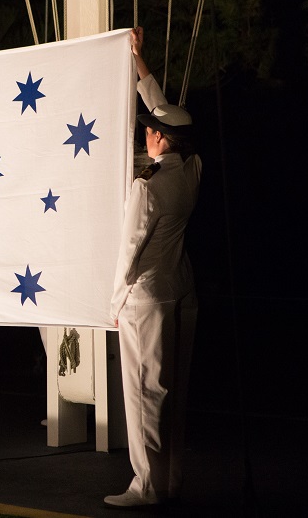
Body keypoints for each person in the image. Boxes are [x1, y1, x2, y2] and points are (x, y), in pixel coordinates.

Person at [105, 27, 202, 508]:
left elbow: (128, 252)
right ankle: (170, 480)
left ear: (162, 139)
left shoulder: (147, 188)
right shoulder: (193, 168)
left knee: (143, 395)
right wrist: (140, 63)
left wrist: (113, 303)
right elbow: (168, 112)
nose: (145, 134)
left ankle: (145, 487)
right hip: (181, 289)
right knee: (172, 395)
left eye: (149, 130)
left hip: (146, 298)